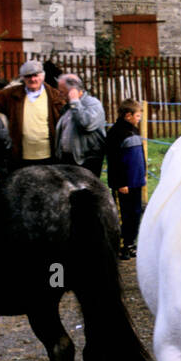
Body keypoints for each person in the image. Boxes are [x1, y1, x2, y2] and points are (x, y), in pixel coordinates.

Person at [0, 60, 66, 170]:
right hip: (21, 156)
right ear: (23, 78)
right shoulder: (11, 94)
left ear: (42, 76)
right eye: (28, 76)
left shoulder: (55, 96)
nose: (32, 79)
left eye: (35, 75)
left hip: (48, 155)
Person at [105, 99, 147, 259]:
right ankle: (122, 245)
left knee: (136, 213)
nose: (139, 119)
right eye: (137, 115)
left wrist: (143, 172)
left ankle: (130, 243)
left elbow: (140, 154)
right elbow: (114, 161)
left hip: (136, 181)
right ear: (128, 115)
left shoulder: (134, 131)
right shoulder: (115, 133)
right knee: (124, 214)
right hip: (124, 184)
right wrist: (120, 183)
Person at [54, 73, 107, 174]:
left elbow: (86, 124)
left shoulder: (92, 103)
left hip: (86, 160)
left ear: (73, 90)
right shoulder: (68, 107)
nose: (60, 95)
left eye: (62, 92)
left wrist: (75, 101)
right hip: (69, 159)